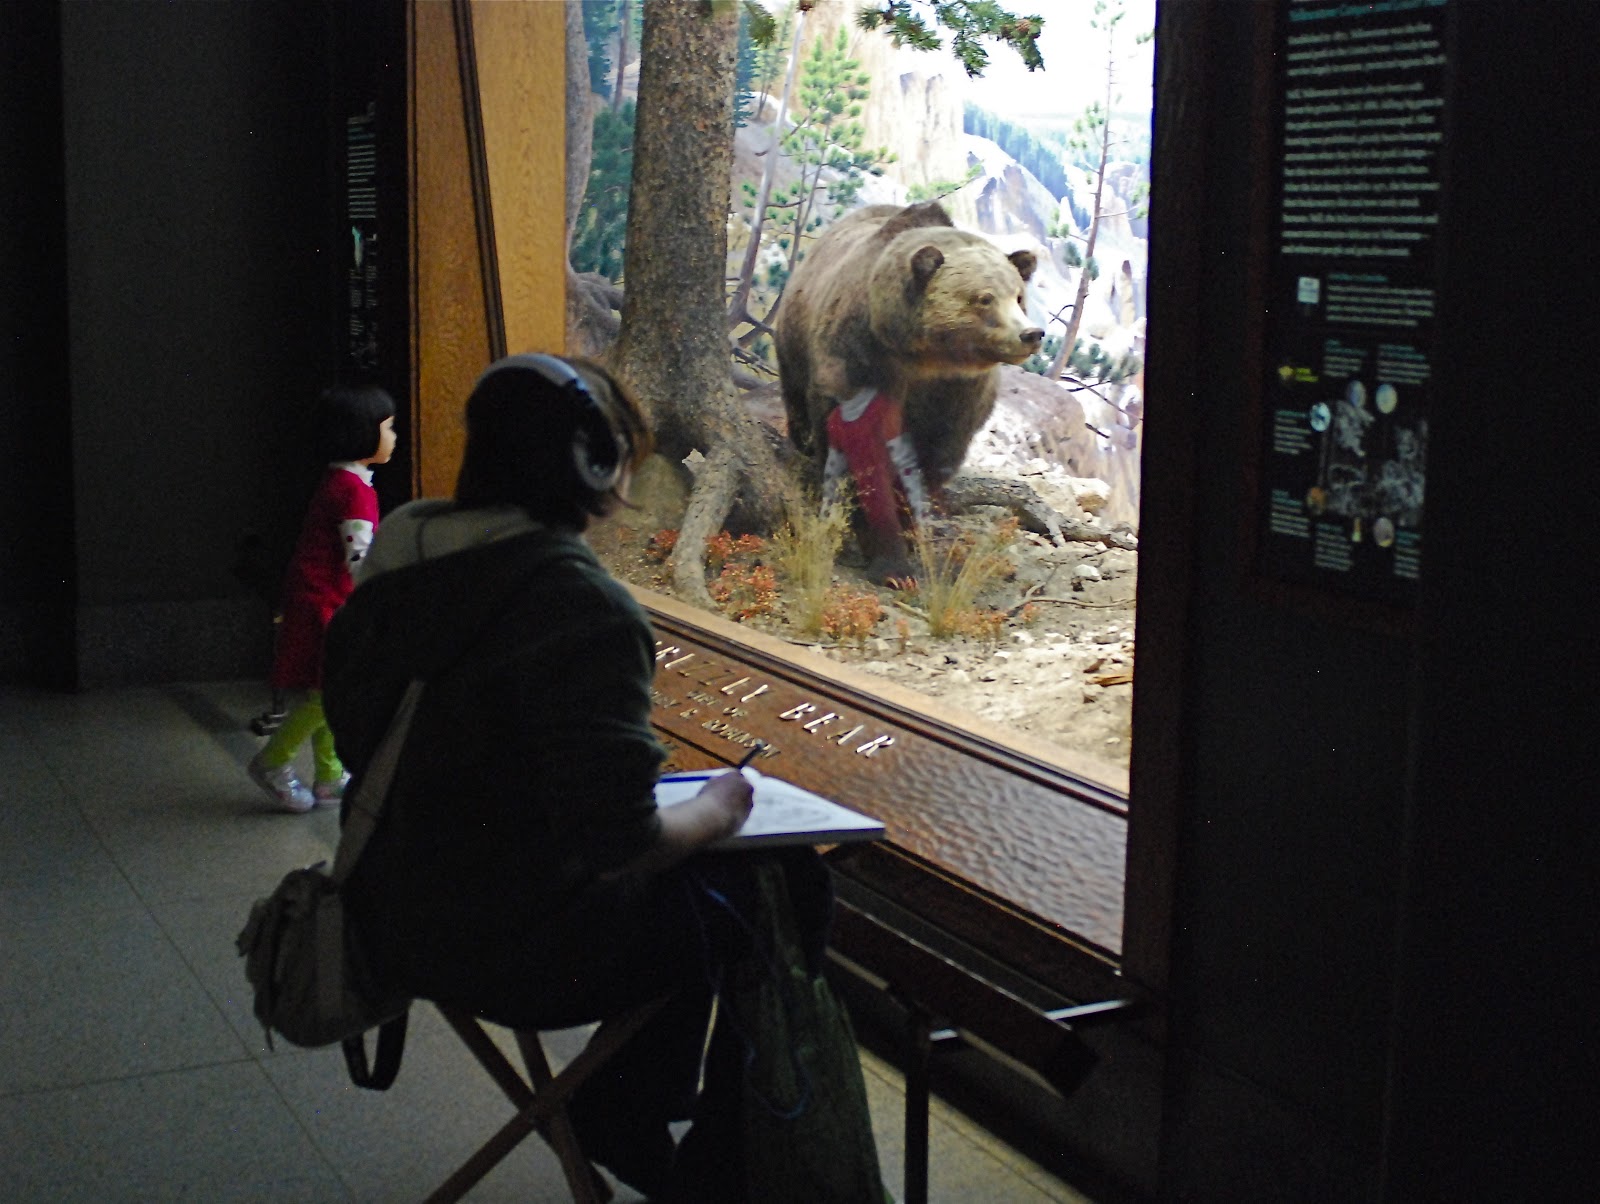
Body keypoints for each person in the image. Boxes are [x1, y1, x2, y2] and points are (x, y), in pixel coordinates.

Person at [321, 354, 882, 1203]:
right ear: (594, 464)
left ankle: (631, 1107)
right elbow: (621, 839)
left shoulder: (401, 557)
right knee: (782, 886)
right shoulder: (576, 605)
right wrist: (720, 807)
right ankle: (713, 1166)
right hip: (512, 949)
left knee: (703, 891)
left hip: (389, 911)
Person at [248, 384, 397, 812]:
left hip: (319, 599)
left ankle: (330, 775)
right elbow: (360, 557)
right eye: (388, 429)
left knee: (327, 689)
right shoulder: (353, 490)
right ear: (361, 434)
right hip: (325, 604)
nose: (393, 438)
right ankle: (273, 761)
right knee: (326, 693)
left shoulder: (340, 480)